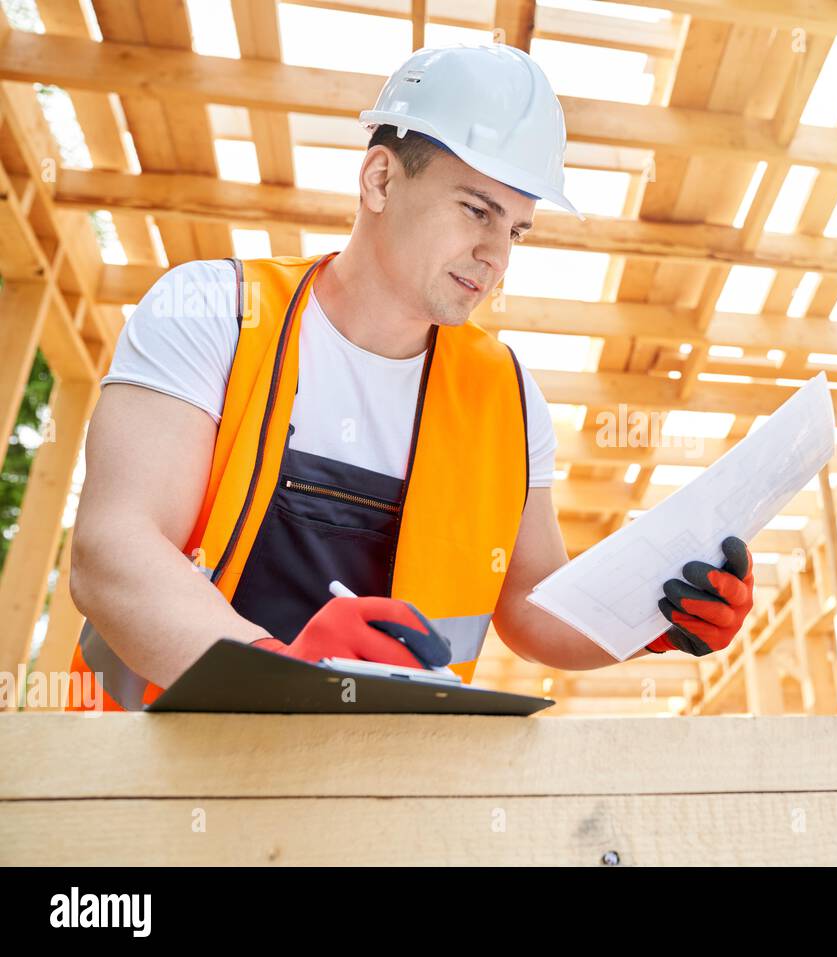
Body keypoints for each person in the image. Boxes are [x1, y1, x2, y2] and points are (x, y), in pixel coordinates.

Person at [66, 43, 754, 711]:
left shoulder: (505, 397)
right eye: (477, 210)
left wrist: (648, 616)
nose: (495, 256)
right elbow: (113, 548)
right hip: (143, 784)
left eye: (515, 230)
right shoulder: (216, 312)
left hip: (372, 792)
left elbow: (530, 602)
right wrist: (276, 670)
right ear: (381, 180)